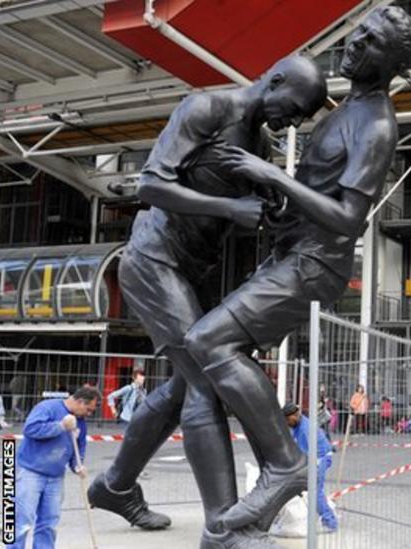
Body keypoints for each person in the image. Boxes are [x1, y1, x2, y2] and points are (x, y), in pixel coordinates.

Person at [181, 6, 411, 530]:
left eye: (372, 42)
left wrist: (273, 175)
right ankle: (270, 476)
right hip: (291, 253)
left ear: (391, 64)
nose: (356, 43)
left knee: (207, 342)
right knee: (212, 355)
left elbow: (349, 218)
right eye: (359, 32)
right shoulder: (343, 110)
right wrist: (275, 203)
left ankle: (286, 465)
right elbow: (317, 193)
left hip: (315, 264)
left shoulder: (376, 125)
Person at [86, 55, 328, 545]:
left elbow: (241, 215)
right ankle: (223, 528)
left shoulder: (260, 144)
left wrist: (267, 208)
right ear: (275, 79)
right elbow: (151, 185)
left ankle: (115, 485)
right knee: (203, 384)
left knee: (183, 387)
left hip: (194, 272)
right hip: (153, 260)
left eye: (303, 117)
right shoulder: (207, 108)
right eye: (295, 107)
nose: (294, 121)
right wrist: (230, 207)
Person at [9, 387, 100, 549]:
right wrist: (60, 426)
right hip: (30, 472)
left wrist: (77, 466)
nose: (89, 414)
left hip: (55, 476)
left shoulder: (80, 422)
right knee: (21, 520)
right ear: (80, 401)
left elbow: (79, 447)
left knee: (49, 523)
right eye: (88, 409)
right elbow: (30, 429)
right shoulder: (48, 407)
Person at [283, 403, 338, 532]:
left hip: (320, 459)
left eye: (287, 420)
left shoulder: (304, 430)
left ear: (294, 416)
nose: (287, 423)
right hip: (316, 457)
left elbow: (304, 455)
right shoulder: (298, 424)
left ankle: (330, 522)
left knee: (315, 491)